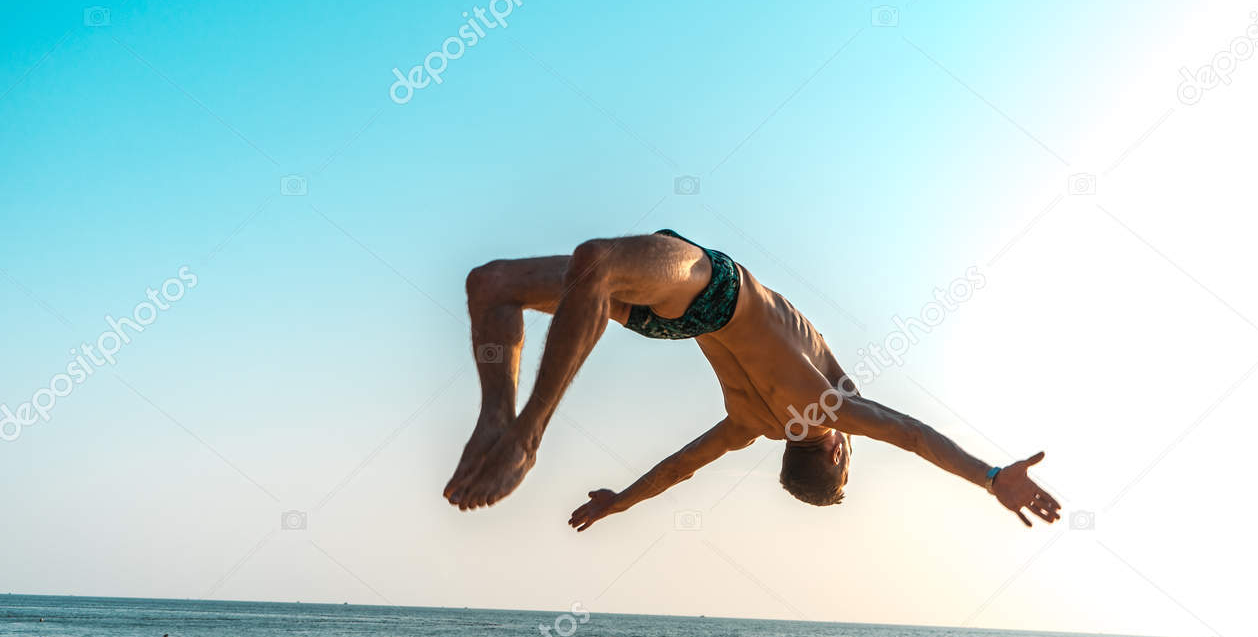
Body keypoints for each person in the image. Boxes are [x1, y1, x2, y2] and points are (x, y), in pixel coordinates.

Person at [443, 232, 1060, 529]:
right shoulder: (747, 427)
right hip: (672, 320)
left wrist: (990, 476)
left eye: (848, 461)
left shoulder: (831, 408)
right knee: (493, 286)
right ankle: (495, 418)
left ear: (836, 452)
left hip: (712, 287)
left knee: (592, 264)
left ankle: (524, 432)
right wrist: (617, 504)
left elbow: (915, 435)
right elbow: (677, 469)